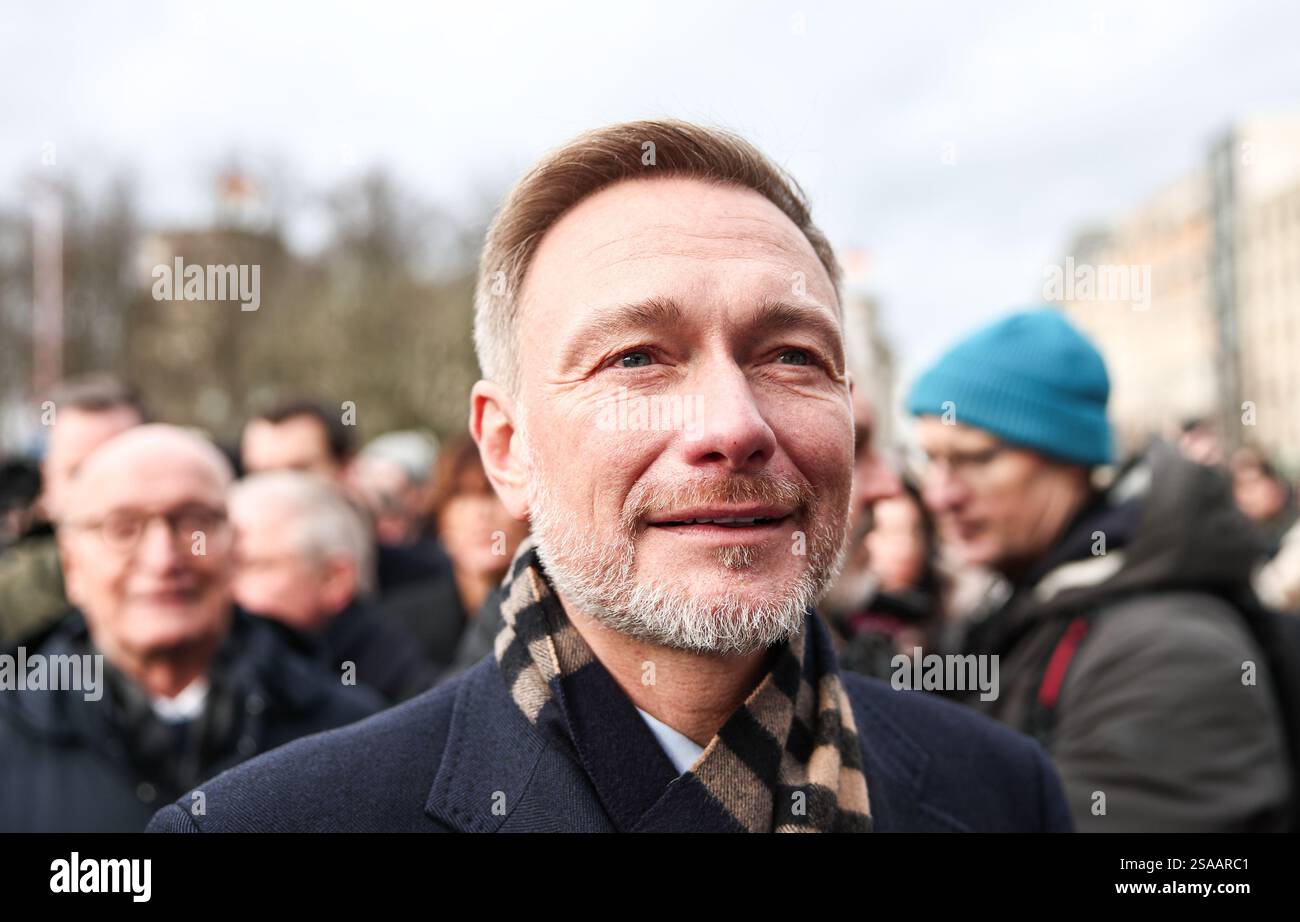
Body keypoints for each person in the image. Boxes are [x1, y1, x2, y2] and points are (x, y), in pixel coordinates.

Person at [149, 120, 1071, 833]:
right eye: (636, 358)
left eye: (791, 355)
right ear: (505, 448)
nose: (734, 427)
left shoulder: (1000, 793)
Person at [907, 307, 1293, 832]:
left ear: (1070, 457)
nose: (940, 494)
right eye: (932, 459)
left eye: (976, 458)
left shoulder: (1167, 650)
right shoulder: (1029, 604)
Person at [0, 426, 381, 831]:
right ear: (72, 564)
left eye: (194, 523)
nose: (163, 559)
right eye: (123, 528)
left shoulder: (353, 731)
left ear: (235, 546)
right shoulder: (11, 734)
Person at [229, 471, 438, 703]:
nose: (229, 588)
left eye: (256, 566)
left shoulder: (397, 688)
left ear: (334, 579)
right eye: (224, 567)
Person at [240, 399, 450, 594]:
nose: (277, 488)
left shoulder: (424, 577)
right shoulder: (228, 592)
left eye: (299, 470)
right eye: (261, 474)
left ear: (346, 468)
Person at [0, 374, 145, 648]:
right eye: (78, 472)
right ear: (49, 481)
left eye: (119, 469)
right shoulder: (9, 599)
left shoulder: (204, 583)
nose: (99, 489)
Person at [376, 435, 529, 670]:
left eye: (493, 492)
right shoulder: (399, 625)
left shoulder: (565, 618)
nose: (481, 513)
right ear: (441, 519)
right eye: (462, 497)